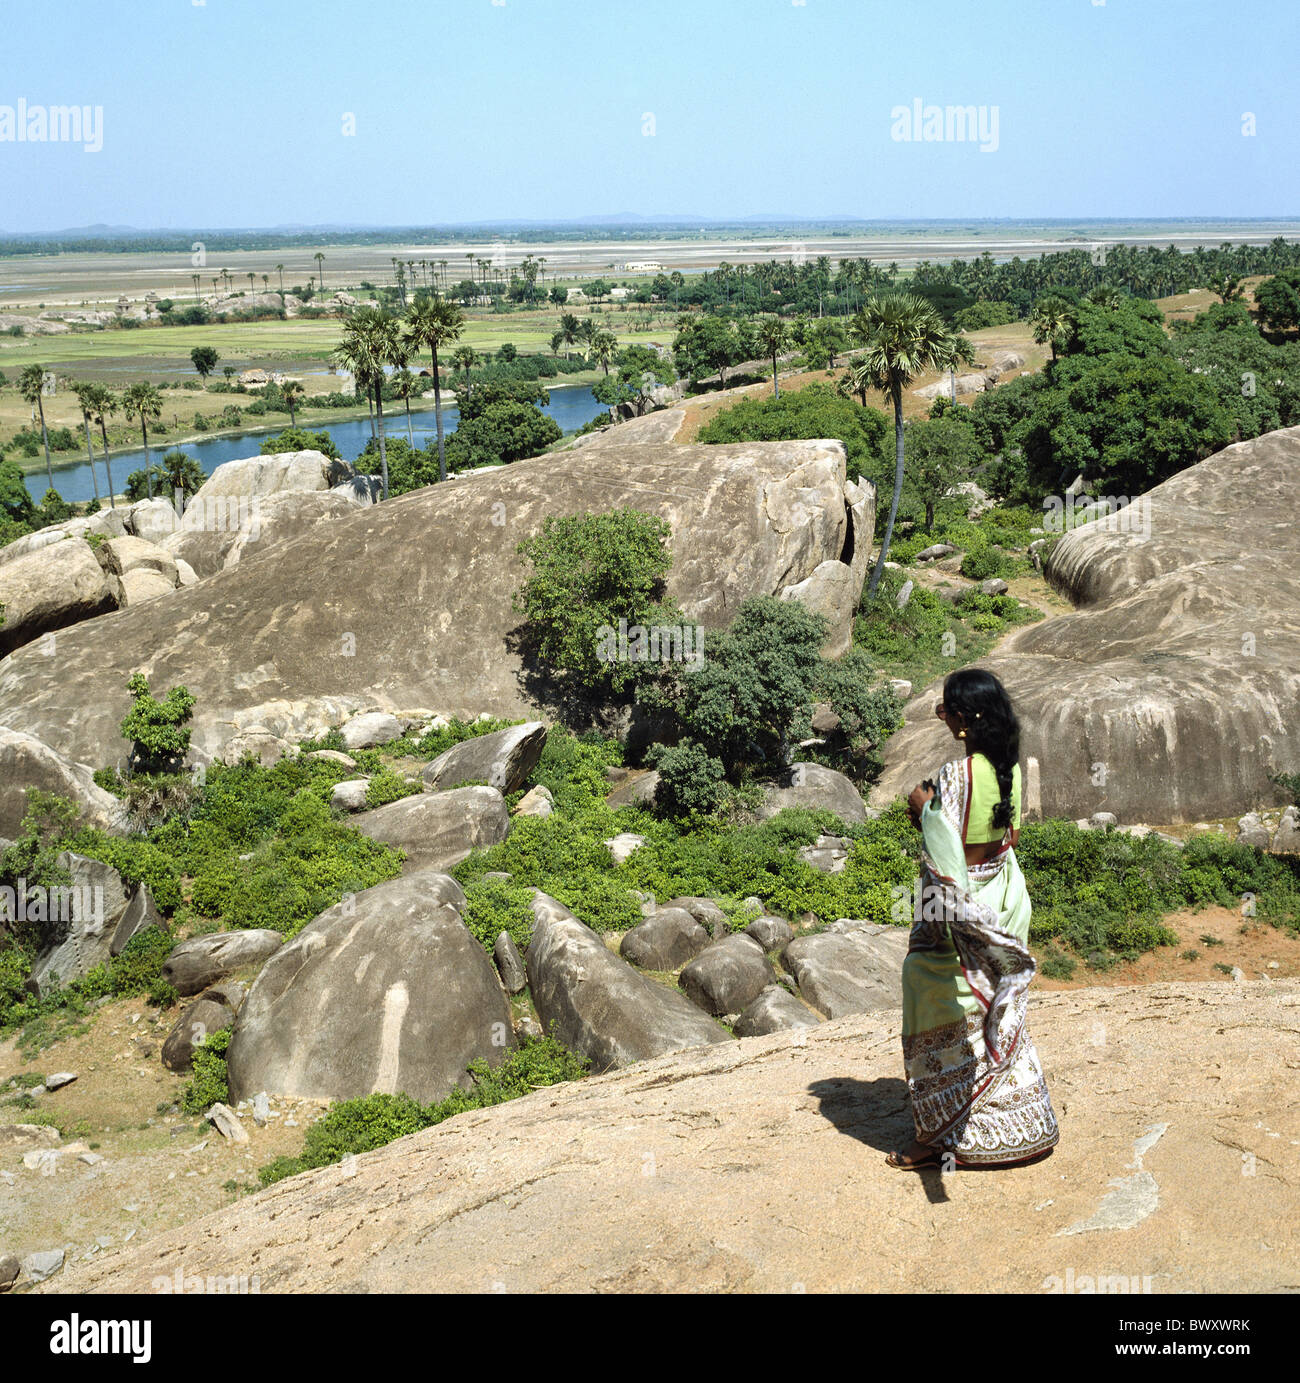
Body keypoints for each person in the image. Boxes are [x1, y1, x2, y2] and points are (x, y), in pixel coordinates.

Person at [886, 667, 1060, 1170]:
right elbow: (1009, 840)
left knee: (925, 984)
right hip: (1004, 896)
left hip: (965, 905)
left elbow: (950, 860)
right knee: (997, 1009)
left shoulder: (955, 775)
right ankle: (1021, 1119)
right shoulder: (1011, 767)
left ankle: (937, 1134)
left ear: (963, 721)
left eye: (945, 710)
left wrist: (925, 810)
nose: (940, 717)